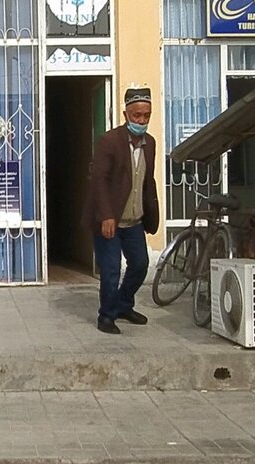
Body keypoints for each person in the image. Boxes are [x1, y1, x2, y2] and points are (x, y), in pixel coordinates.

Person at [84, 87, 160, 334]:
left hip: (134, 220)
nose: (142, 120)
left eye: (146, 115)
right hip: (110, 220)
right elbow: (99, 180)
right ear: (126, 114)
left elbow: (148, 180)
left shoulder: (150, 144)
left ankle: (123, 305)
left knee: (139, 265)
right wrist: (106, 215)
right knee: (111, 270)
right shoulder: (110, 141)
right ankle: (106, 316)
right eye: (137, 115)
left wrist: (151, 214)